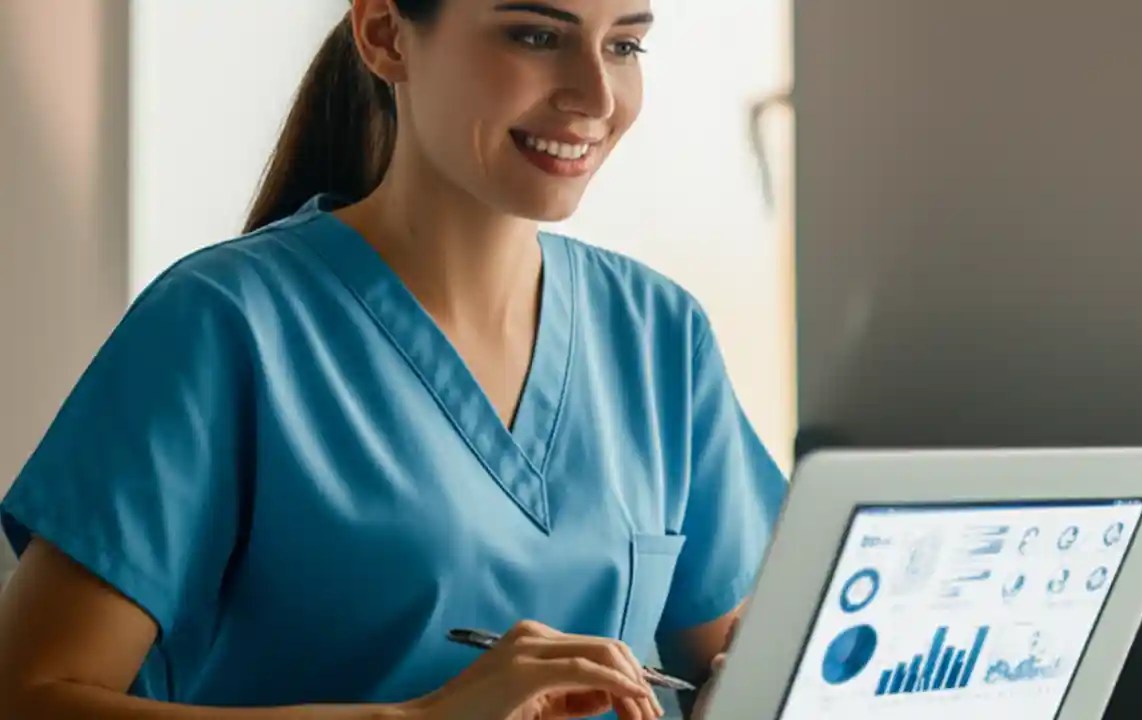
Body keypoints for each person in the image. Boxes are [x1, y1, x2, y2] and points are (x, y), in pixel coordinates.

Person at [0, 1, 786, 719]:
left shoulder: (658, 335)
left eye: (624, 46)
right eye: (537, 35)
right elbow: (30, 697)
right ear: (384, 34)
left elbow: (733, 661)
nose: (596, 96)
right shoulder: (223, 324)